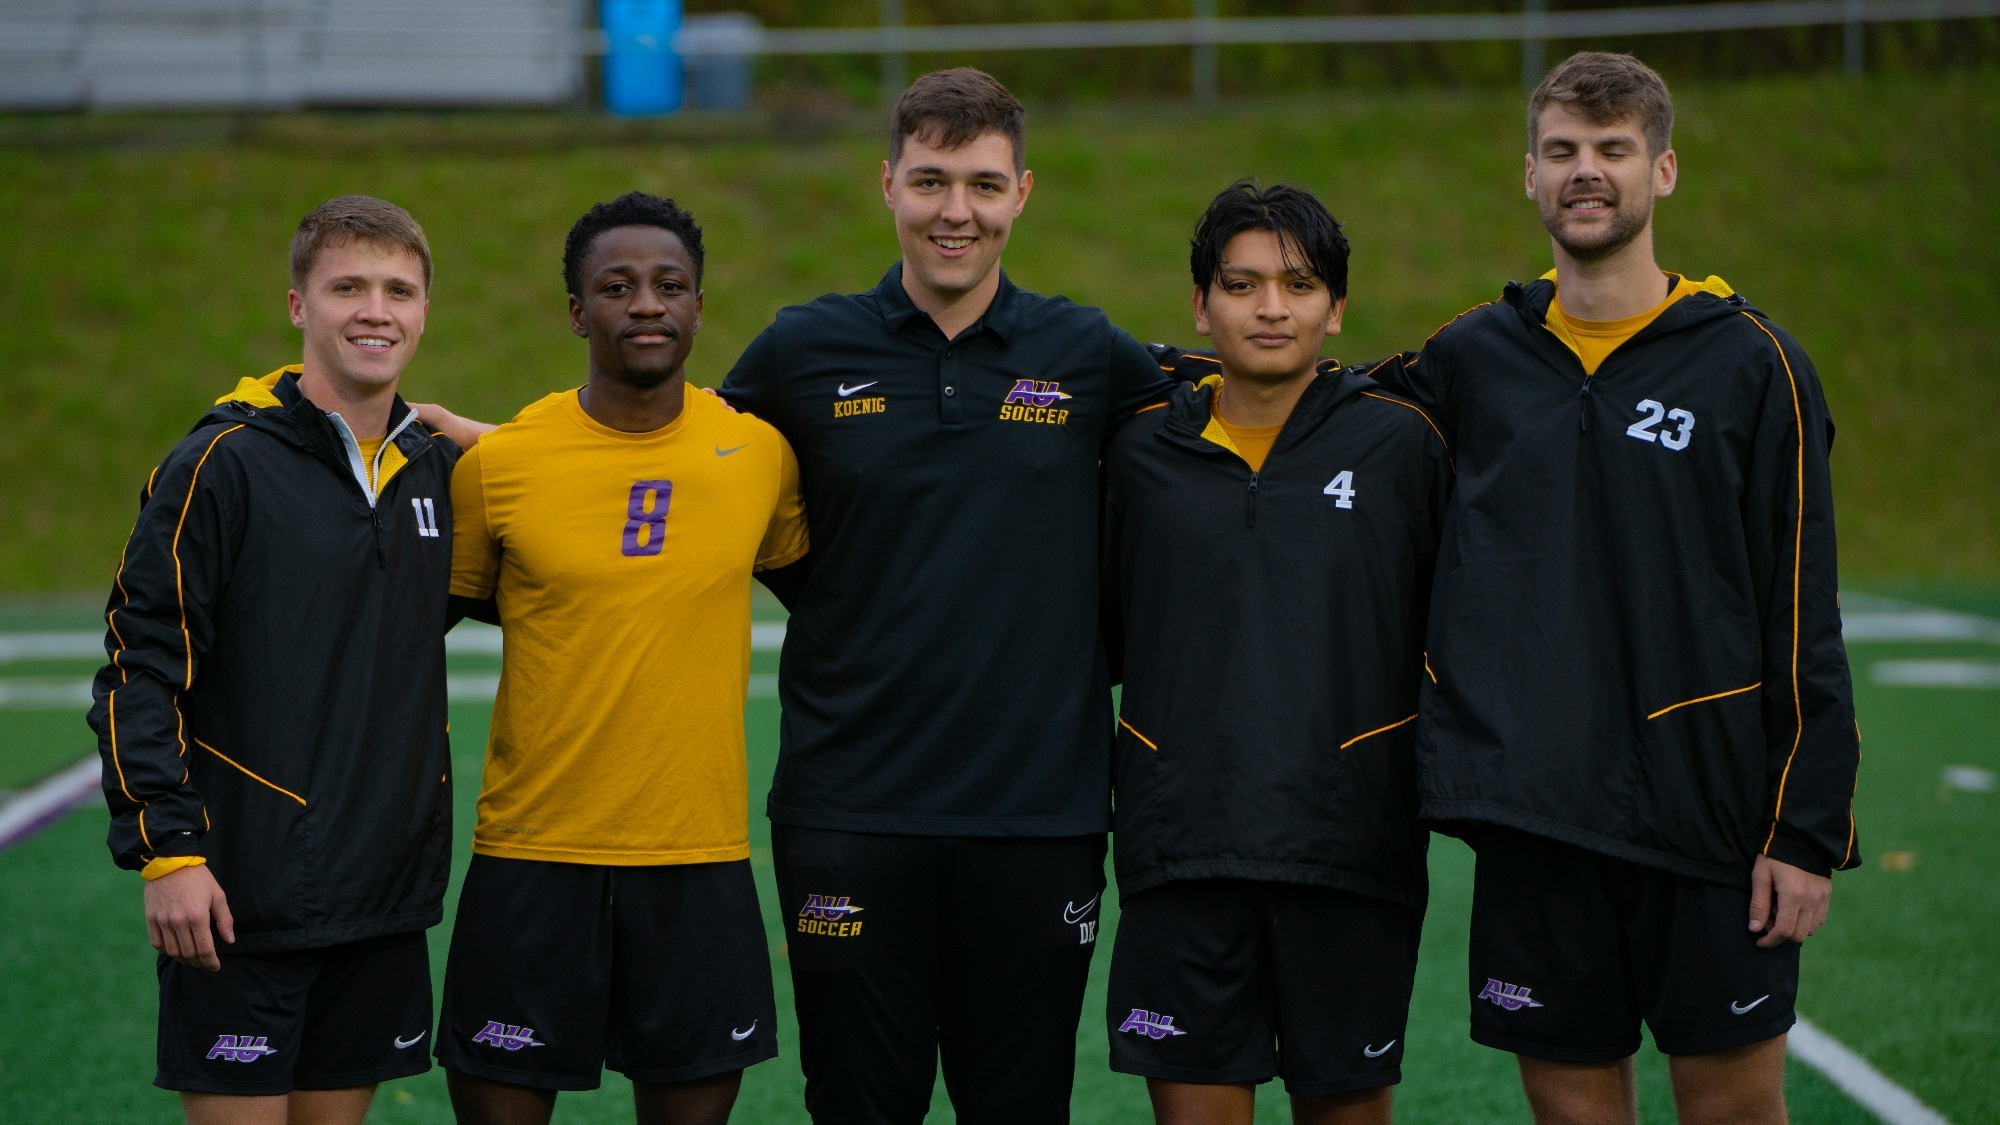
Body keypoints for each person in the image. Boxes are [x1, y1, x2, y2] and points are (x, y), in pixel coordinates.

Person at [1370, 52, 1859, 1125]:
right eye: (1560, 152)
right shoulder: (1473, 355)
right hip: (1534, 815)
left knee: (1731, 1114)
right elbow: (1319, 409)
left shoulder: (1750, 364)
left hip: (1706, 817)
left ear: (1663, 170)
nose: (1583, 172)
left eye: (1610, 150)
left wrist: (1804, 829)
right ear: (1529, 178)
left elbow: (1797, 609)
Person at [718, 68, 1176, 1123]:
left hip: (1040, 810)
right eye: (929, 181)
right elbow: (667, 452)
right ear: (887, 185)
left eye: (979, 183)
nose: (953, 211)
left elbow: (1228, 447)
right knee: (857, 1106)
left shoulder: (1088, 353)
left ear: (1022, 192)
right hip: (848, 807)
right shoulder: (801, 349)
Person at [431, 192, 804, 1125]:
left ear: (698, 308)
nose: (646, 304)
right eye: (618, 286)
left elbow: (833, 599)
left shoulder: (758, 455)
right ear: (576, 312)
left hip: (697, 857)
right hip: (531, 855)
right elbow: (439, 611)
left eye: (669, 285)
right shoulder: (501, 464)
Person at [87, 196, 459, 1125]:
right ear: (299, 306)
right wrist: (167, 851)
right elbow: (140, 665)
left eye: (398, 290)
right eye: (348, 287)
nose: (376, 309)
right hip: (241, 903)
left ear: (423, 310)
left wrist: (476, 436)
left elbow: (576, 477)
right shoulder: (221, 462)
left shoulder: (439, 470)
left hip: (380, 901)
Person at [1101, 181, 1449, 1125]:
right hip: (1184, 848)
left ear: (1337, 309)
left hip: (1349, 852)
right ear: (1200, 306)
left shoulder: (1404, 442)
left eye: (1296, 285)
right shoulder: (1137, 448)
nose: (1268, 308)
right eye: (1242, 283)